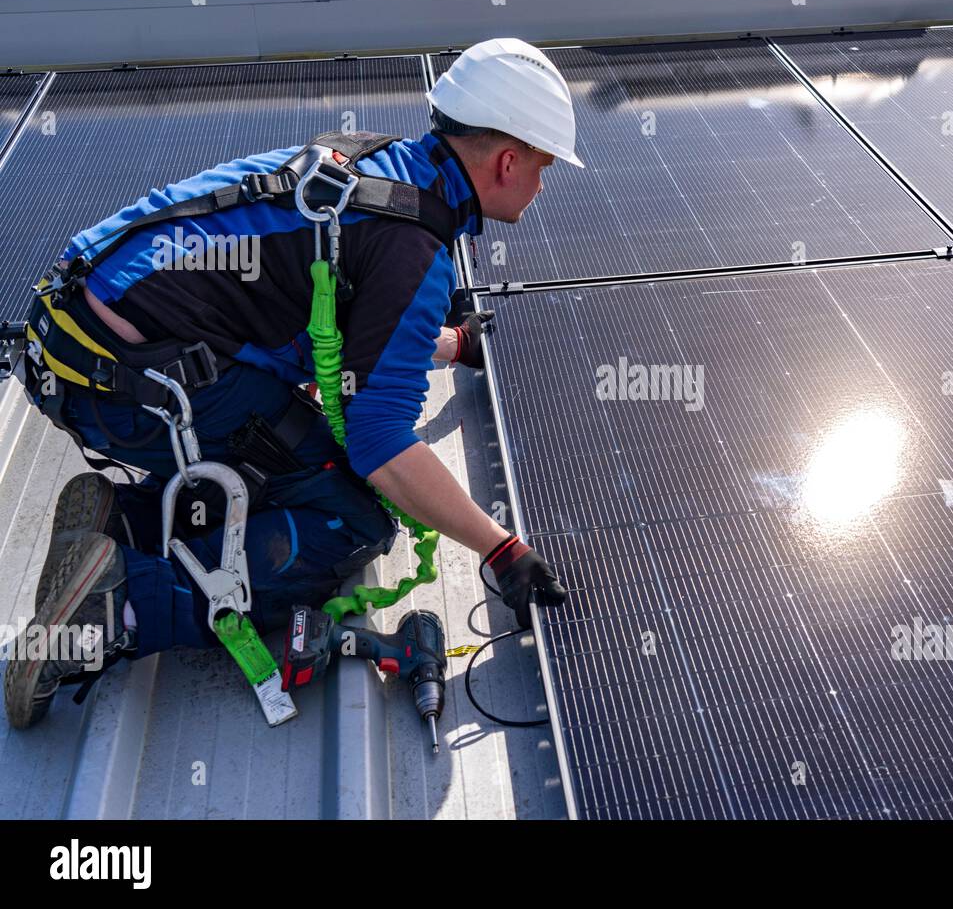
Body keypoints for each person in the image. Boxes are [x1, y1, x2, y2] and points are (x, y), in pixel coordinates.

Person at [5, 38, 579, 730]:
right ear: (508, 160)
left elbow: (335, 330)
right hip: (126, 387)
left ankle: (119, 521)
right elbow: (382, 446)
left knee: (298, 446)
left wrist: (452, 346)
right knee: (351, 516)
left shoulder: (373, 164)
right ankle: (118, 606)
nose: (543, 186)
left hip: (68, 343)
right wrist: (501, 548)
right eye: (543, 167)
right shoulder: (411, 244)